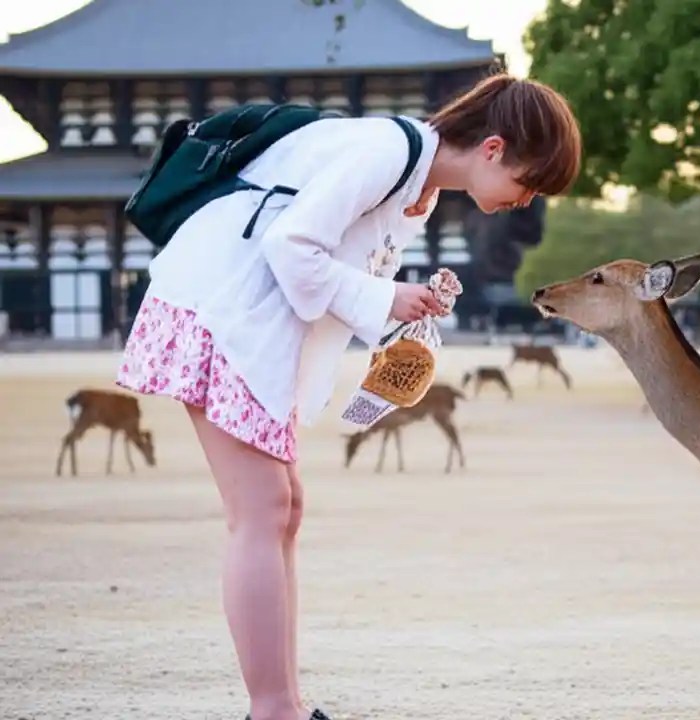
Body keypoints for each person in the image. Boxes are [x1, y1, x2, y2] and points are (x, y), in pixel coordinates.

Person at [115, 73, 581, 720]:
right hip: (221, 310)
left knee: (282, 507)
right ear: (494, 148)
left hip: (243, 314)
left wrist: (404, 304)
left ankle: (282, 703)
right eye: (529, 183)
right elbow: (291, 245)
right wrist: (386, 297)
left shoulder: (414, 186)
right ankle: (274, 710)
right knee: (263, 510)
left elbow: (337, 275)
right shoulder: (386, 153)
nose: (526, 202)